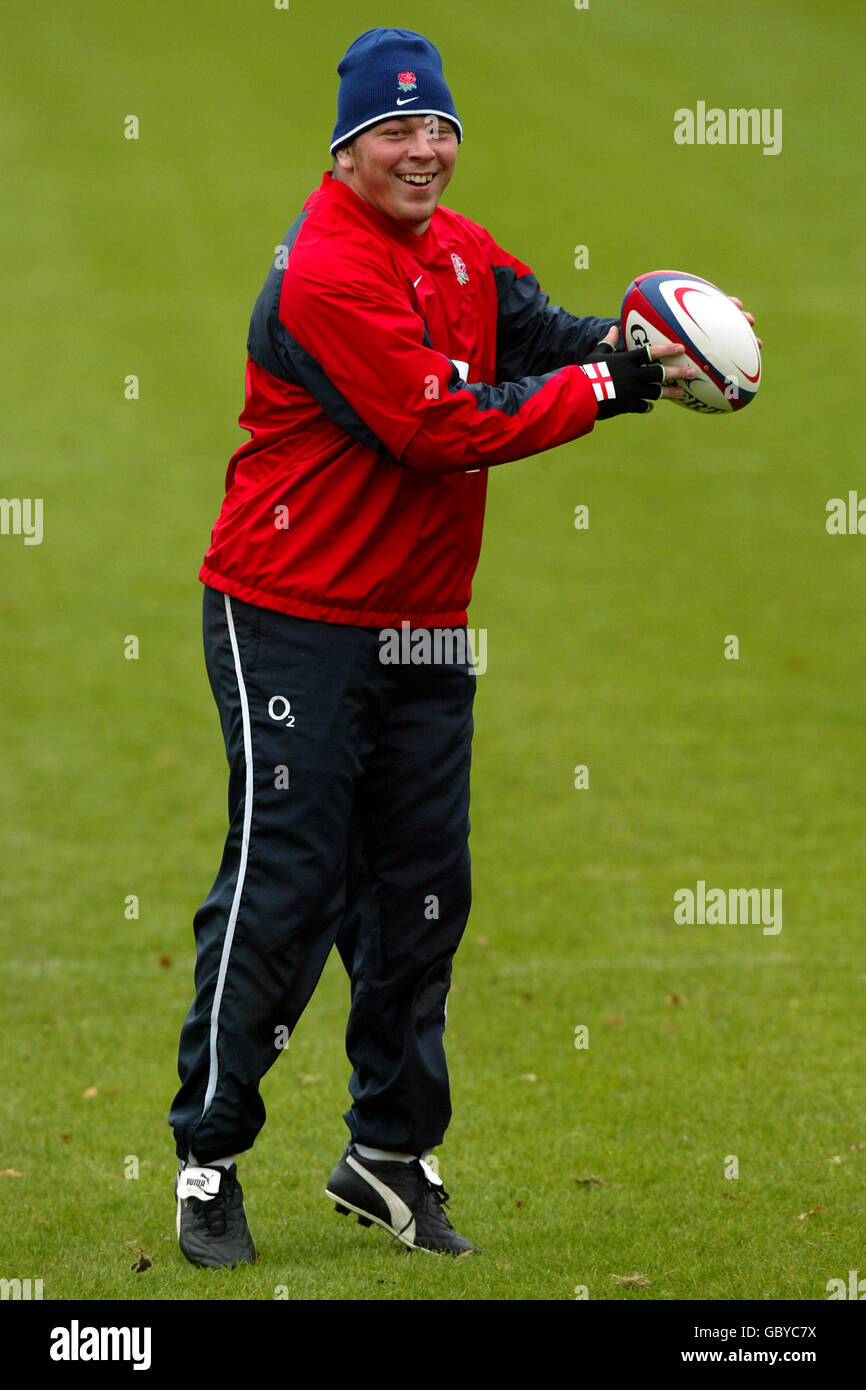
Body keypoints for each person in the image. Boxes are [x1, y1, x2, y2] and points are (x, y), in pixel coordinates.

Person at [168, 26, 732, 1268]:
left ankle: (388, 1153)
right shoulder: (326, 272)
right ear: (347, 148)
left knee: (421, 899)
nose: (423, 151)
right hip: (291, 617)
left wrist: (641, 345)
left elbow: (535, 333)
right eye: (395, 132)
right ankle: (209, 1156)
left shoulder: (457, 250)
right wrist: (613, 390)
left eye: (438, 130)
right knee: (287, 892)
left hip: (419, 627)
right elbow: (439, 428)